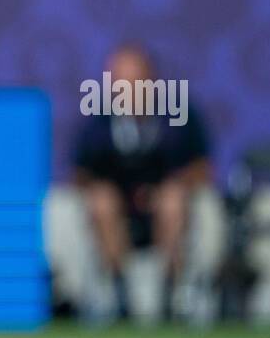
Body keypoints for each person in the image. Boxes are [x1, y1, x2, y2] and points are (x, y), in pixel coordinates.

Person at [73, 43, 211, 320]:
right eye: (118, 81)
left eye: (133, 81)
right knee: (102, 201)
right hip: (118, 216)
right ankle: (120, 296)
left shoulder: (179, 114)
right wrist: (108, 191)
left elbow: (202, 168)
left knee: (172, 200)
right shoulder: (98, 121)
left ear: (150, 80)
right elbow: (80, 173)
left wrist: (168, 187)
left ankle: (170, 296)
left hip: (166, 212)